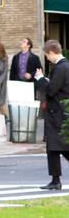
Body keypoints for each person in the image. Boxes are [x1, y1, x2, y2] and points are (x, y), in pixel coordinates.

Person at [36, 40, 69, 191]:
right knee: (54, 148)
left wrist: (41, 79)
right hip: (58, 112)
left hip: (57, 113)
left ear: (52, 52)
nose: (47, 58)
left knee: (58, 146)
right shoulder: (63, 66)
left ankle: (56, 181)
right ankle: (55, 180)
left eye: (47, 55)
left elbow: (51, 90)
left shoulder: (61, 67)